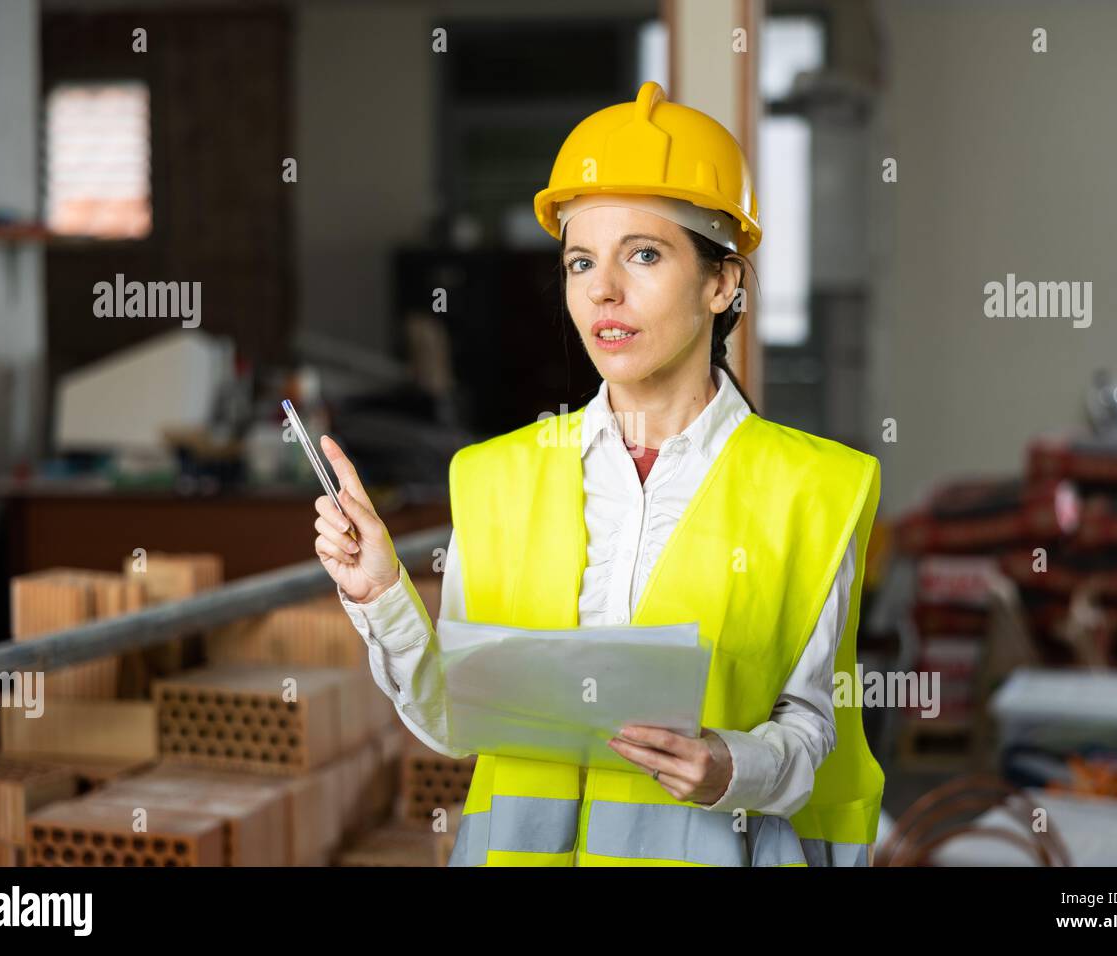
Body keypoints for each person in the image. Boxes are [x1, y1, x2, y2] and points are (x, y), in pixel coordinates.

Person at [313, 81, 883, 867]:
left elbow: (812, 728)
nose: (603, 290)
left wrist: (730, 767)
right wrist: (381, 595)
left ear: (722, 284)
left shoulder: (813, 490)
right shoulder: (496, 477)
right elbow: (456, 720)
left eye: (643, 254)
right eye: (581, 261)